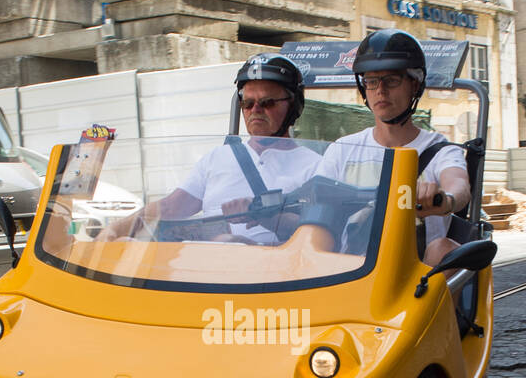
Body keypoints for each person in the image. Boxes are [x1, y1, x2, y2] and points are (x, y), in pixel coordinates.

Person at [102, 54, 320, 243]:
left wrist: (265, 217)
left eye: (267, 102)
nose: (255, 110)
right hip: (207, 274)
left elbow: (319, 230)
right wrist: (113, 230)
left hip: (273, 279)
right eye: (247, 102)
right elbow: (170, 207)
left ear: (293, 106)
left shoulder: (314, 166)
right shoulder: (217, 157)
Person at [314, 29, 471, 266]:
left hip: (416, 279)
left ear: (415, 85)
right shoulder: (343, 149)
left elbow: (458, 186)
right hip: (352, 273)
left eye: (391, 80)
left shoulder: (441, 150)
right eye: (372, 81)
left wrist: (445, 199)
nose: (380, 90)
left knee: (443, 248)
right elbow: (316, 199)